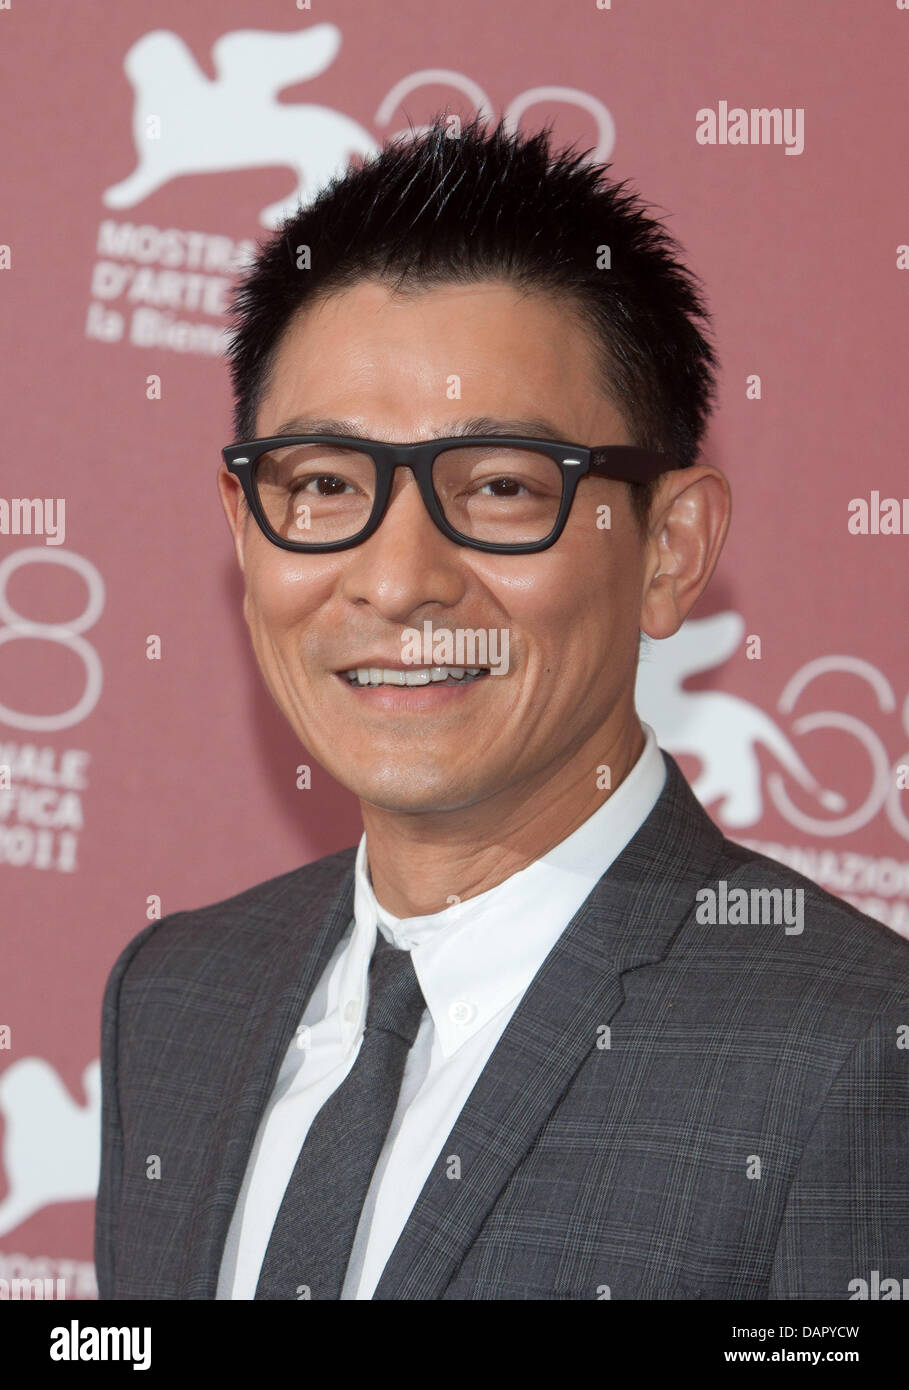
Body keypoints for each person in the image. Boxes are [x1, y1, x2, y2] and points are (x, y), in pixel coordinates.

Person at [94, 116, 909, 1300]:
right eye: (324, 484)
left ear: (670, 549)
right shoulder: (173, 1000)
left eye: (502, 487)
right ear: (243, 530)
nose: (398, 578)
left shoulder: (856, 1054)